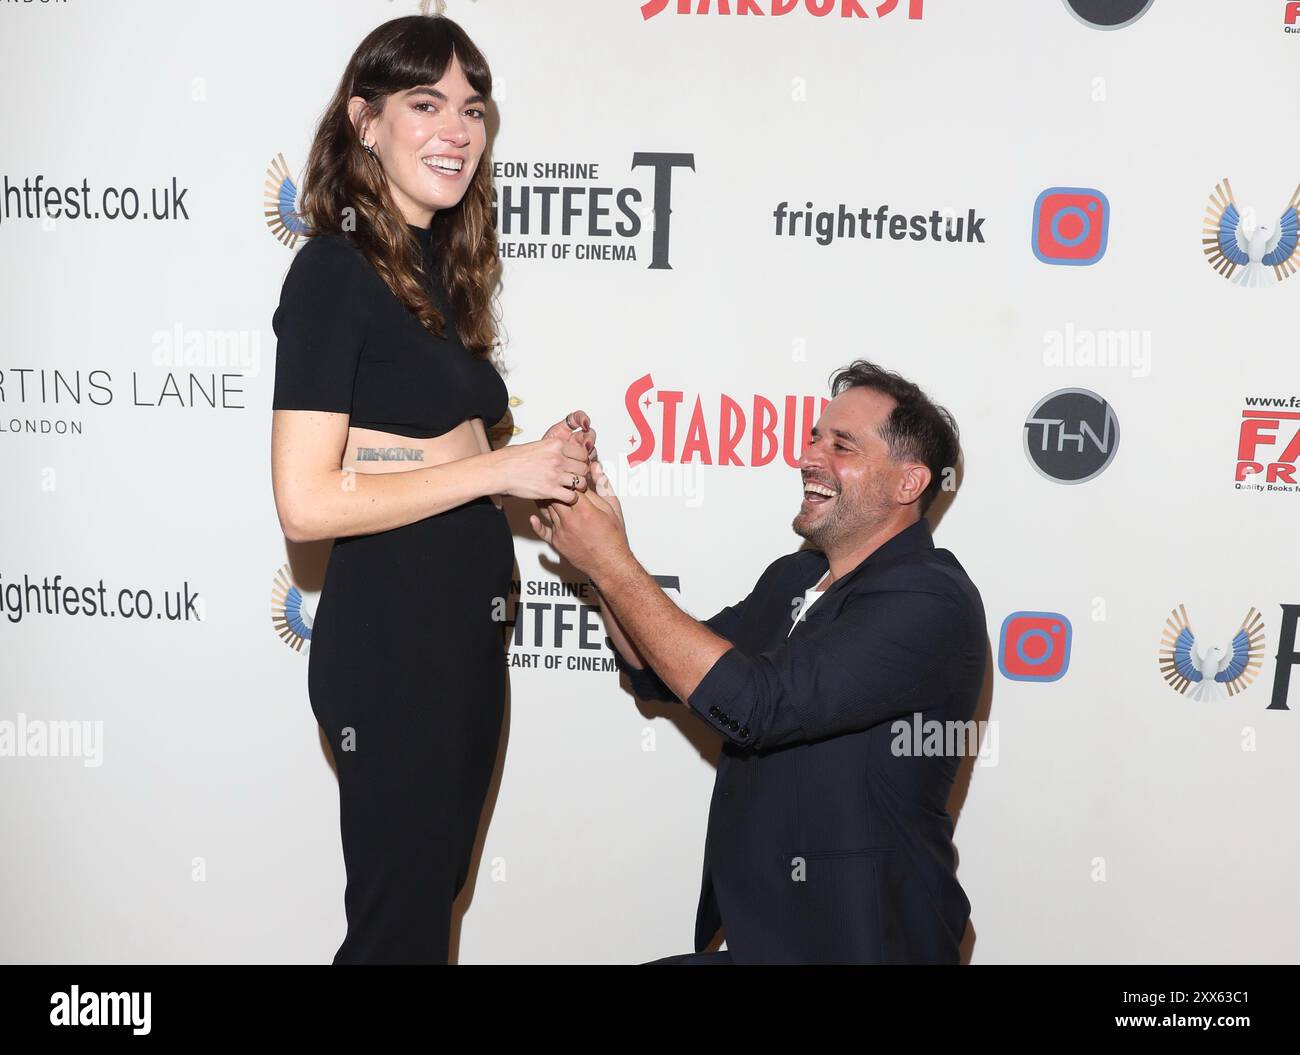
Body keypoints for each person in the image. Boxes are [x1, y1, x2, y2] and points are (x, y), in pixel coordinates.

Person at [269, 14, 597, 965]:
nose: (457, 127)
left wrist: (534, 464)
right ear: (365, 121)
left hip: (460, 635)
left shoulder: (435, 268)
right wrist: (500, 466)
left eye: (473, 107)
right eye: (425, 103)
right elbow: (306, 502)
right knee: (397, 933)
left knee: (423, 917)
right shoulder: (334, 272)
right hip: (390, 646)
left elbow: (422, 459)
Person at [530, 361, 986, 964]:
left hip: (867, 942)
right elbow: (655, 668)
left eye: (841, 445)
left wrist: (613, 563)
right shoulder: (795, 576)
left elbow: (755, 705)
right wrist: (599, 558)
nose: (810, 456)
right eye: (814, 438)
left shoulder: (931, 599)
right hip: (766, 940)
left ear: (908, 483)